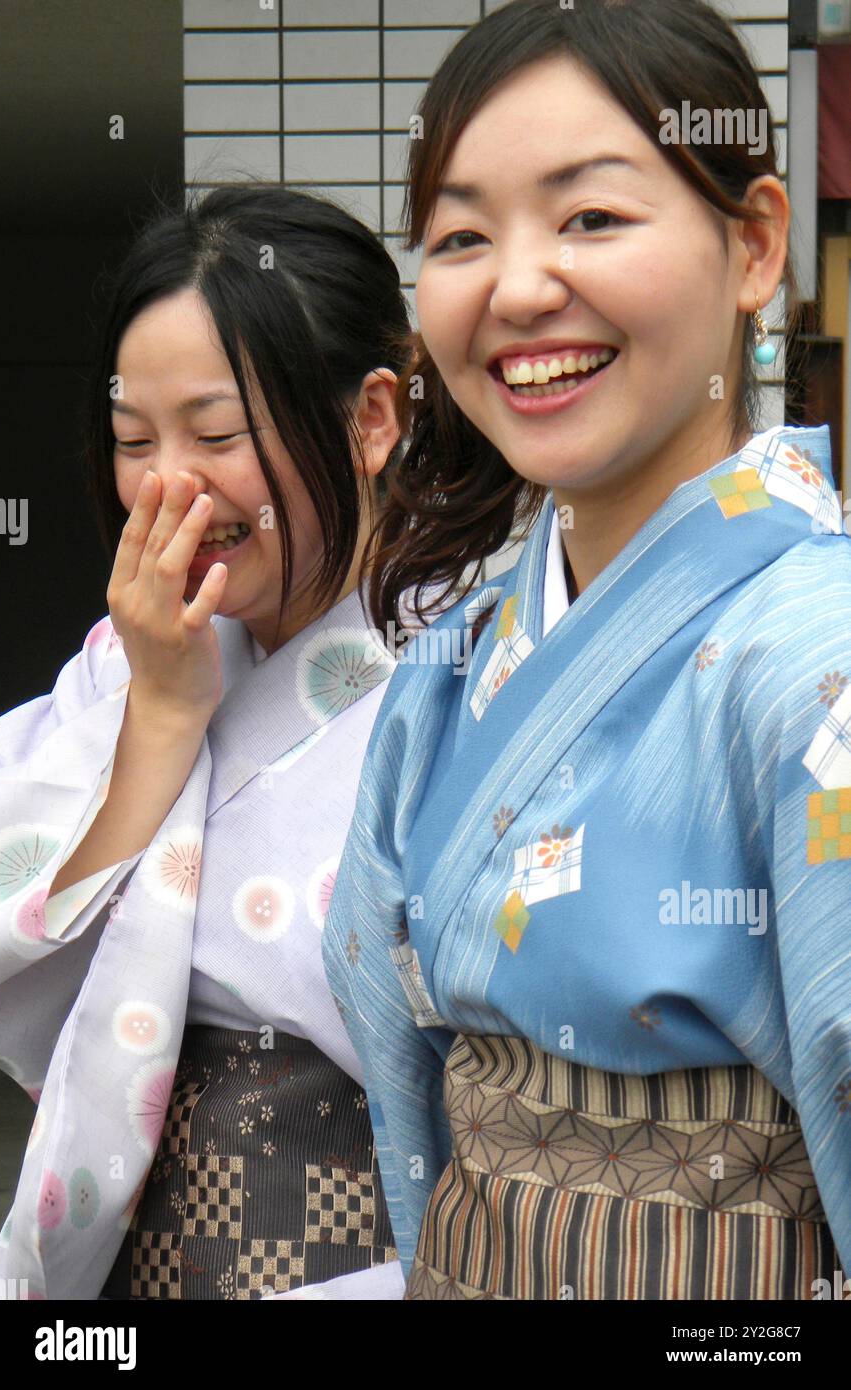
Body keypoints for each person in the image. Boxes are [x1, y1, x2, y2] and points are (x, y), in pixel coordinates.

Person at [323, 0, 851, 1300]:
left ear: (752, 243)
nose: (513, 286)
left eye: (591, 218)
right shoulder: (448, 665)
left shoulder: (813, 656)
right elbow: (405, 1080)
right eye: (458, 236)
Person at [0, 183, 413, 1300]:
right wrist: (162, 717)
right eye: (134, 439)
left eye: (216, 433)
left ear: (371, 418)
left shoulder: (464, 677)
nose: (166, 483)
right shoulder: (133, 665)